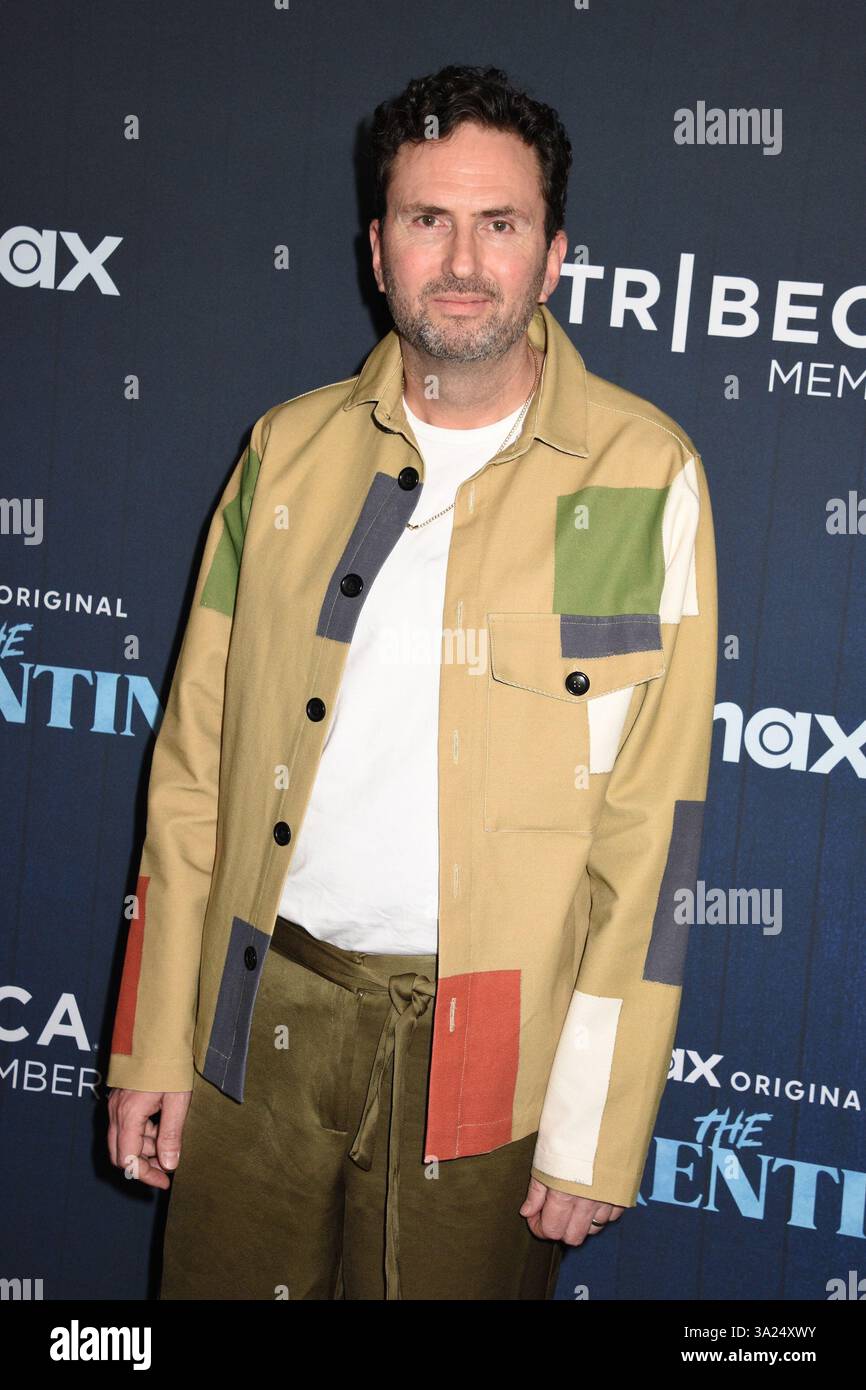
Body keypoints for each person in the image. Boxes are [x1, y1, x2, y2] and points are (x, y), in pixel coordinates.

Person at [105, 63, 718, 1301]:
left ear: (552, 257)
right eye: (426, 219)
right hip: (255, 1012)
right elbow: (192, 770)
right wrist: (149, 1040)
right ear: (374, 248)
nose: (461, 258)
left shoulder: (634, 475)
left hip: (488, 1046)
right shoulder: (287, 451)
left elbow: (647, 834)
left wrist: (595, 1122)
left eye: (499, 223)